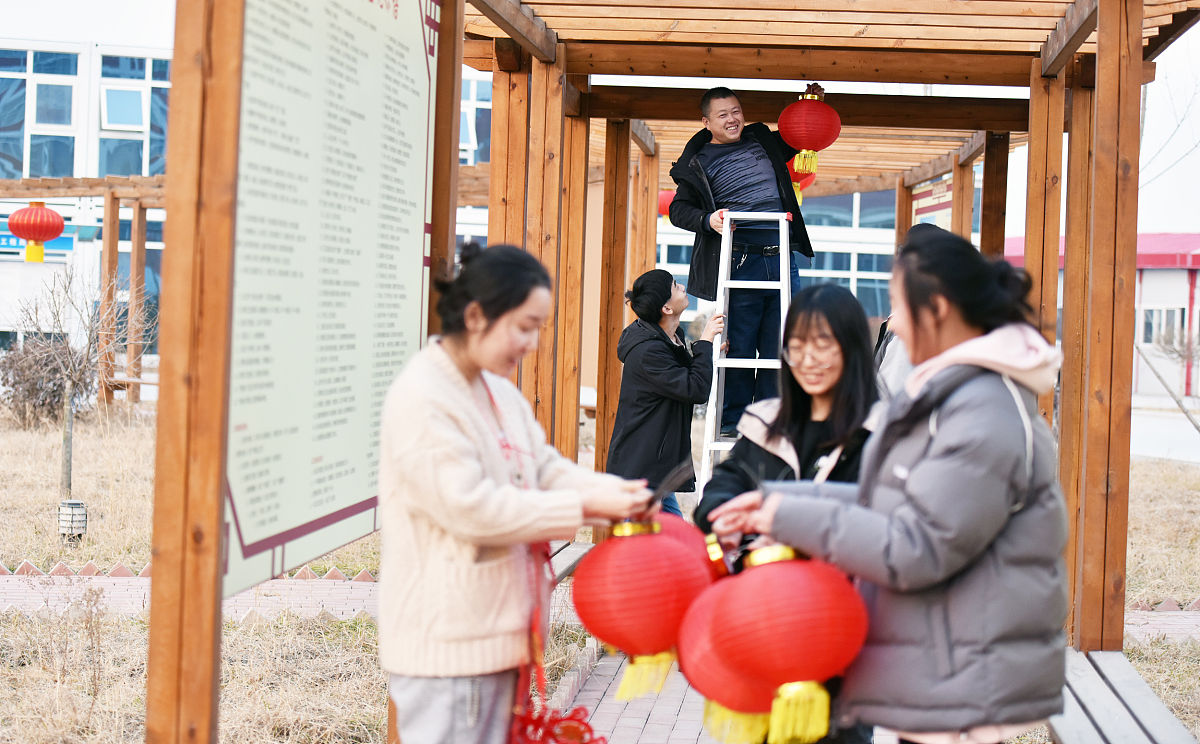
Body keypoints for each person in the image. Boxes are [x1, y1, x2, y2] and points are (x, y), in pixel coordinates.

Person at [709, 226, 1067, 744]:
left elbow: (915, 545)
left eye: (897, 306)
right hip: (942, 658)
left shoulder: (981, 410)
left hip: (964, 672)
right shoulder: (955, 395)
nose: (892, 325)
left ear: (938, 309)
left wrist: (783, 515)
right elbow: (892, 506)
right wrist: (777, 501)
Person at [378, 244, 654, 744]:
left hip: (500, 638)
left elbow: (543, 468)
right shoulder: (423, 396)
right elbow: (470, 507)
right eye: (524, 326)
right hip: (450, 648)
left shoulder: (497, 390)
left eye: (538, 330)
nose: (531, 343)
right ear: (477, 315)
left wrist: (616, 490)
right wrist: (588, 507)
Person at [694, 283, 879, 744]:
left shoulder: (881, 434)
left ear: (852, 348)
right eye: (796, 347)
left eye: (823, 345)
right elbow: (721, 489)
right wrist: (726, 518)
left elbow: (877, 525)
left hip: (841, 628)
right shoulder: (765, 422)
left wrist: (784, 526)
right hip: (761, 621)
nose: (808, 360)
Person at [668, 86, 816, 436]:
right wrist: (709, 220)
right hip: (740, 258)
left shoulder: (762, 141)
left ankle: (768, 420)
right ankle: (734, 422)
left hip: (781, 254)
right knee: (739, 342)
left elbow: (801, 135)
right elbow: (678, 210)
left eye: (736, 111)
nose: (732, 119)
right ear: (706, 122)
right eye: (723, 115)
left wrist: (810, 105)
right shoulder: (697, 162)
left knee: (778, 344)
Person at [605, 269, 724, 516]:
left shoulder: (669, 339)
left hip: (652, 471)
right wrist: (704, 342)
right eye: (674, 286)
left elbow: (687, 378)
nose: (681, 286)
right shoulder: (649, 352)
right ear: (666, 309)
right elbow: (695, 388)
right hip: (641, 473)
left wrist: (707, 350)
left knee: (673, 543)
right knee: (650, 548)